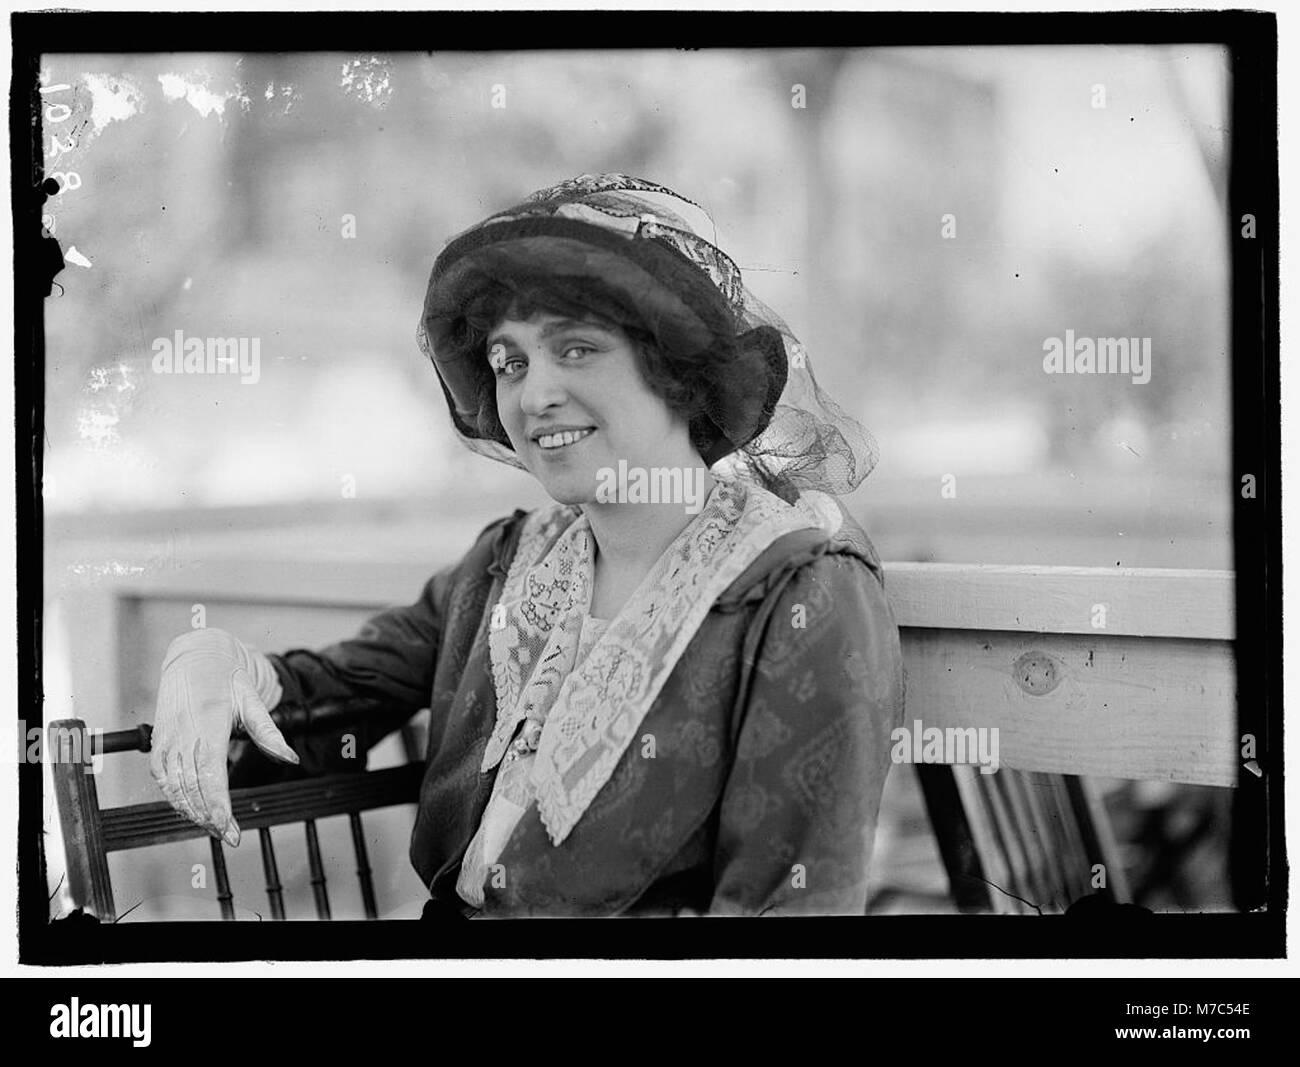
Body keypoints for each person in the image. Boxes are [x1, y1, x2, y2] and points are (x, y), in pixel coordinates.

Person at [149, 173, 905, 917]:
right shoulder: (506, 566)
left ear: (675, 371)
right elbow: (329, 695)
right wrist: (210, 659)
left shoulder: (797, 593)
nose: (533, 393)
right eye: (510, 362)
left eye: (575, 349)